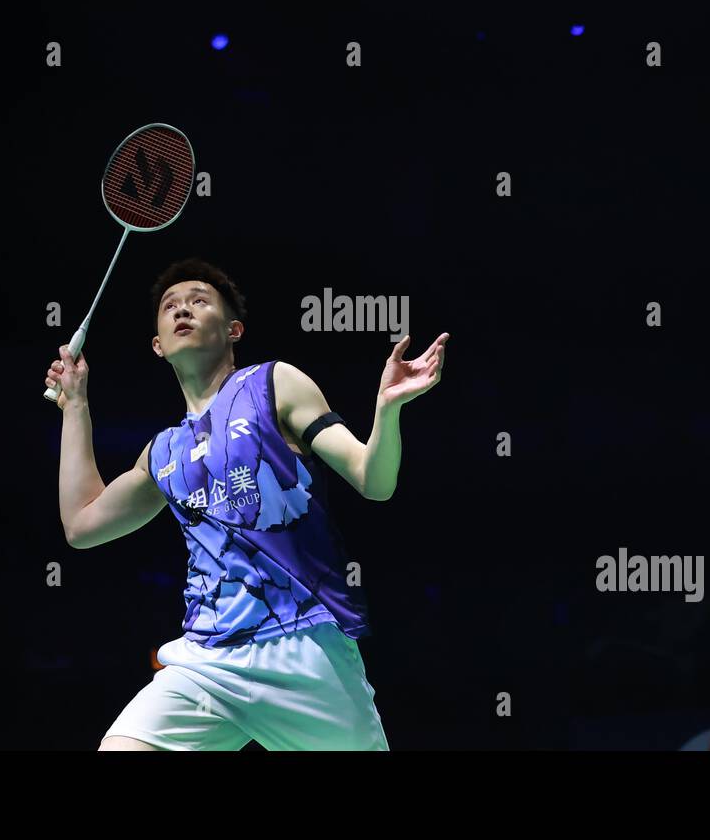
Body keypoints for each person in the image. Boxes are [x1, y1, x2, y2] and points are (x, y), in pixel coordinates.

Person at [44, 257, 448, 750]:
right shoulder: (163, 451)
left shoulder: (274, 384)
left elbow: (373, 479)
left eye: (199, 301)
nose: (182, 310)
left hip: (302, 650)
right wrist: (77, 404)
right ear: (157, 346)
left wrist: (388, 411)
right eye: (170, 306)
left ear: (233, 329)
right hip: (205, 659)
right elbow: (83, 524)